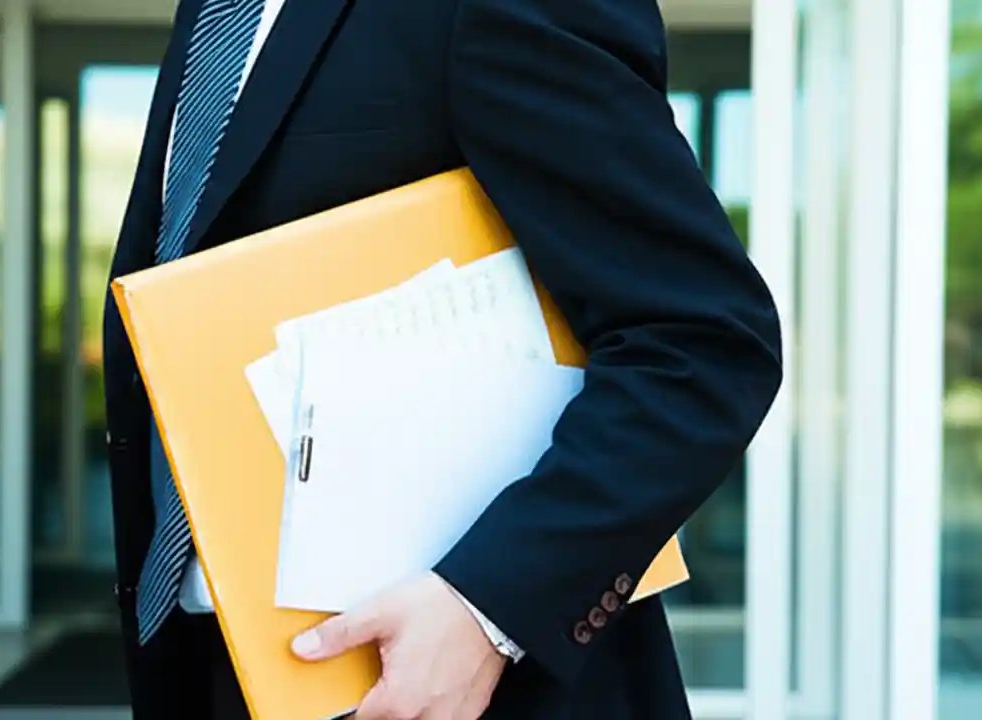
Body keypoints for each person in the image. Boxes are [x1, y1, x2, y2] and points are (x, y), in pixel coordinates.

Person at [102, 0, 783, 717]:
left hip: (453, 682)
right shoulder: (211, 13)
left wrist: (487, 610)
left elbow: (699, 340)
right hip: (223, 666)